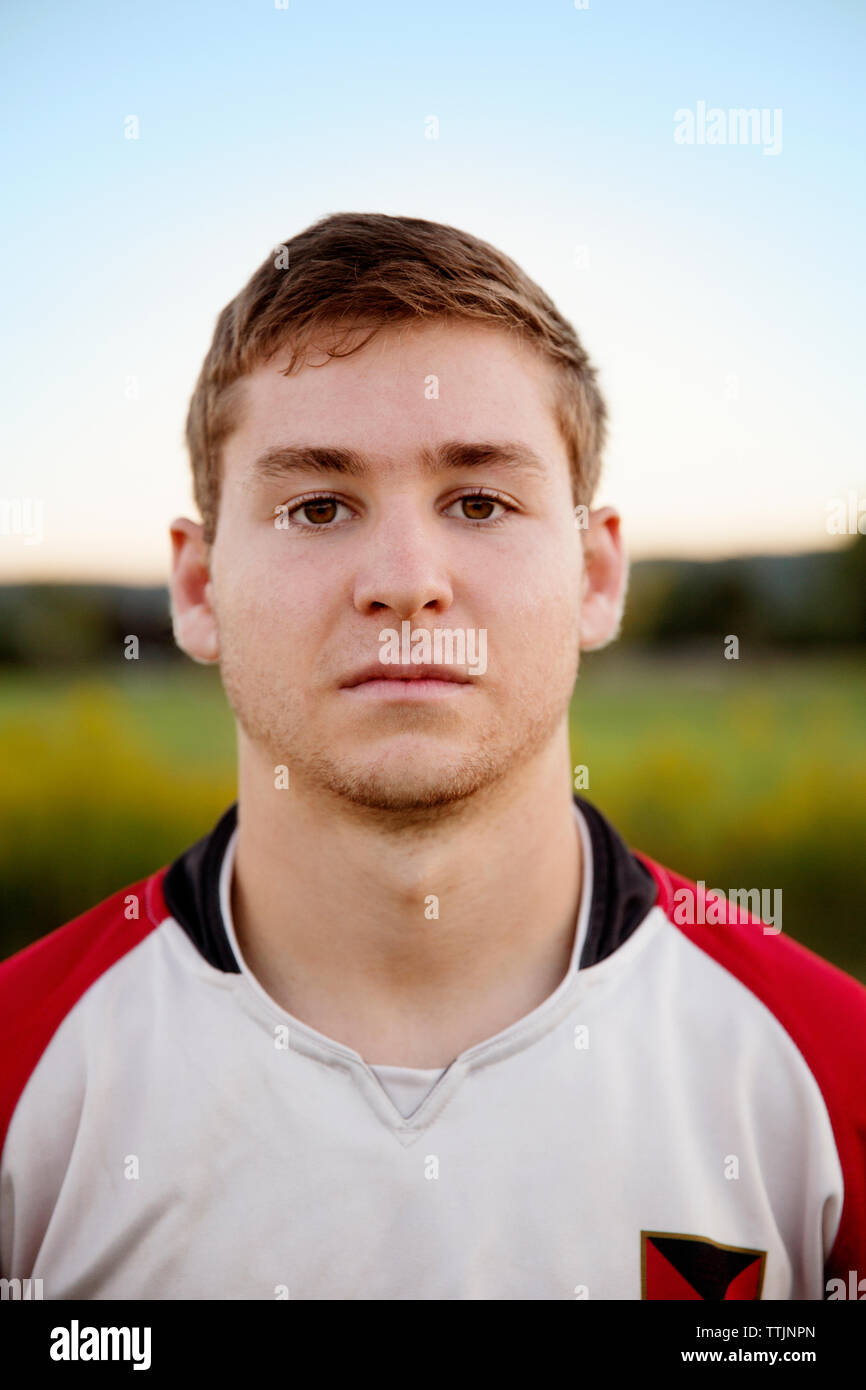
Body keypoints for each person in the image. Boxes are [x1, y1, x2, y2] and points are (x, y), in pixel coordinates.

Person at [1, 212, 864, 1302]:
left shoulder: (832, 1078)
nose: (406, 579)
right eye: (317, 504)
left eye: (479, 500)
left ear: (595, 576)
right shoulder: (19, 1075)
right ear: (197, 586)